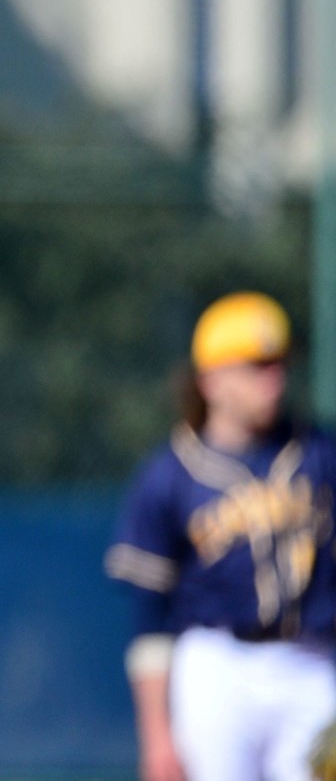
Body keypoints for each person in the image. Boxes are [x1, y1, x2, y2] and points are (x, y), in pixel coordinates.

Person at [105, 292, 336, 781]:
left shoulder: (321, 456)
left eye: (278, 364)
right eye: (256, 366)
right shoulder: (168, 476)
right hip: (217, 667)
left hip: (313, 661)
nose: (273, 379)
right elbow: (149, 618)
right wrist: (157, 735)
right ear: (210, 381)